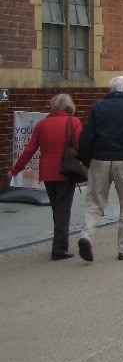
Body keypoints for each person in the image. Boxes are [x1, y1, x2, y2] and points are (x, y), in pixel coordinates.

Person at [77, 76, 123, 262]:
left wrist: (86, 159)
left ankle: (86, 235)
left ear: (110, 90)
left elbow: (86, 136)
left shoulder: (99, 106)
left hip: (100, 159)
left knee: (94, 201)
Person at [8, 94, 83, 260]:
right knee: (63, 210)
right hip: (67, 171)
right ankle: (59, 248)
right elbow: (80, 146)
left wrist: (15, 170)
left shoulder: (42, 124)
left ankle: (58, 243)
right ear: (69, 106)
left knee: (57, 209)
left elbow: (29, 150)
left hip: (48, 172)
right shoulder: (74, 122)